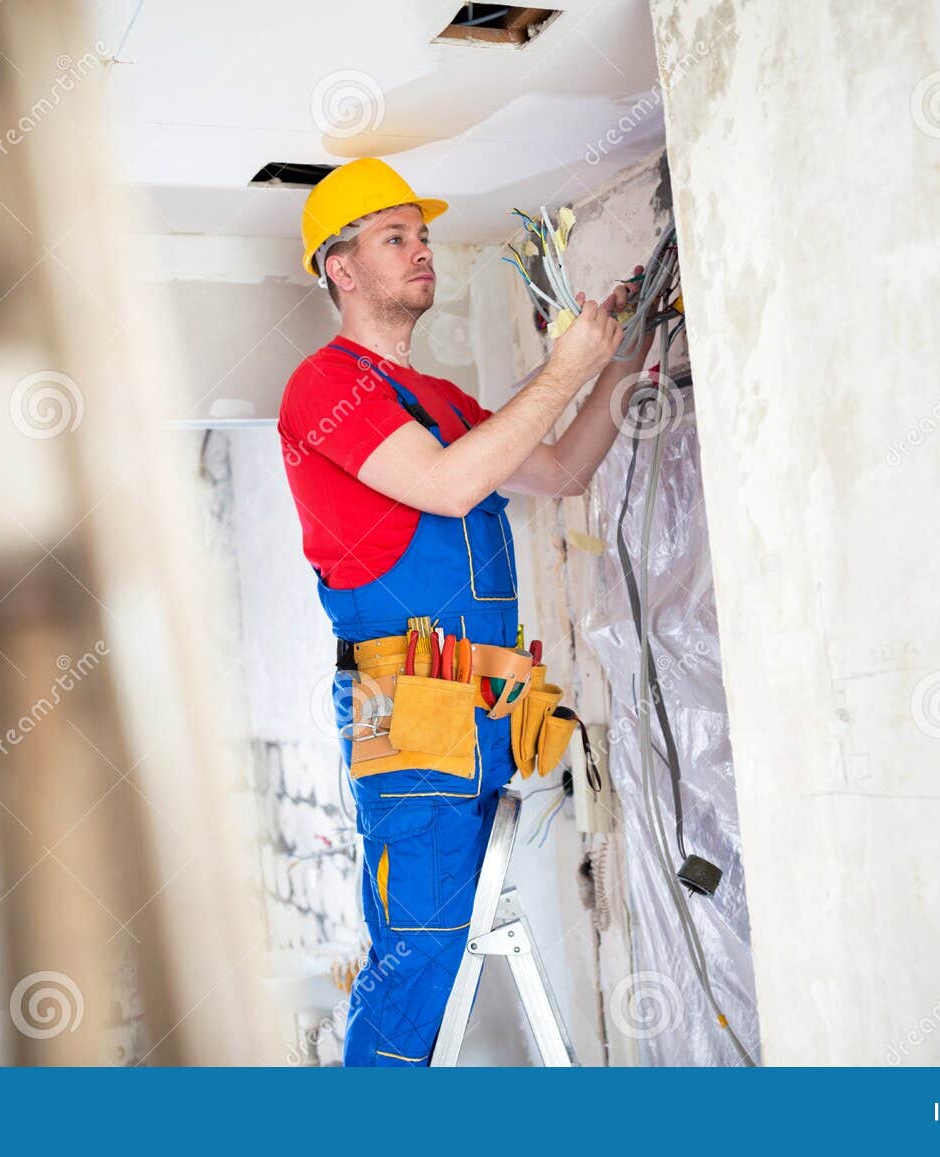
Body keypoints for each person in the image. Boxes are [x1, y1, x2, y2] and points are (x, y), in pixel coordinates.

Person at [278, 157, 648, 1066]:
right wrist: (563, 369)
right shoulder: (326, 387)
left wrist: (624, 357)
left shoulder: (440, 402)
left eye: (424, 235)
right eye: (394, 237)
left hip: (486, 712)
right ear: (342, 268)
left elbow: (562, 470)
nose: (421, 251)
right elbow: (448, 486)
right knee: (420, 955)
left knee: (457, 939)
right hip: (405, 708)